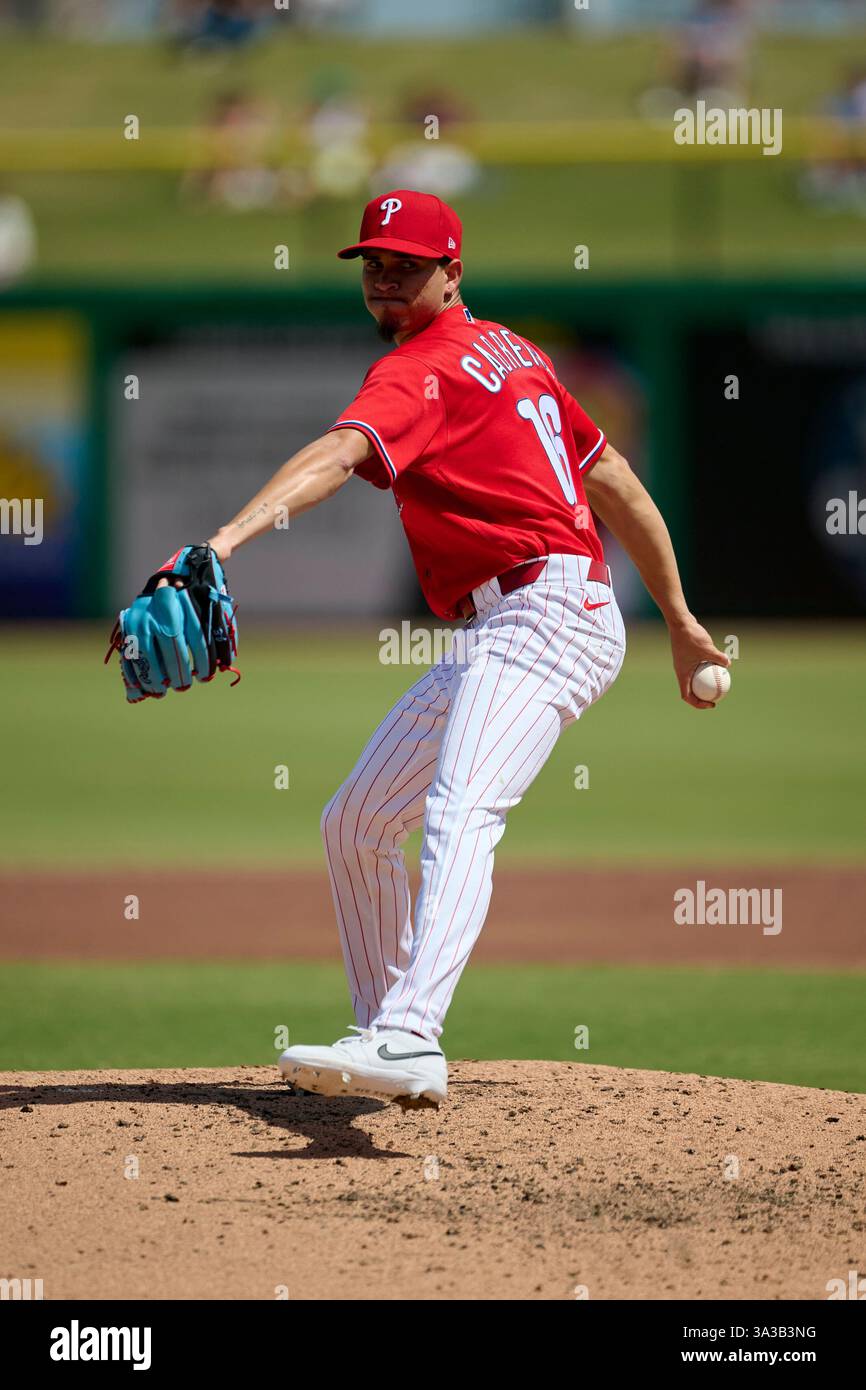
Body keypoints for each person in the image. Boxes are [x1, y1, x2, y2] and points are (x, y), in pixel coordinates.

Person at [204, 189, 728, 1107]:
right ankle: (382, 1036)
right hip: (511, 621)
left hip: (545, 613)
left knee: (460, 811)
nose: (385, 282)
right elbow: (618, 483)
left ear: (453, 272)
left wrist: (223, 543)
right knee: (357, 821)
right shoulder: (517, 353)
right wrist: (680, 624)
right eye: (373, 265)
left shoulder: (421, 368)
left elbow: (337, 455)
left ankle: (411, 1036)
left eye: (406, 266)